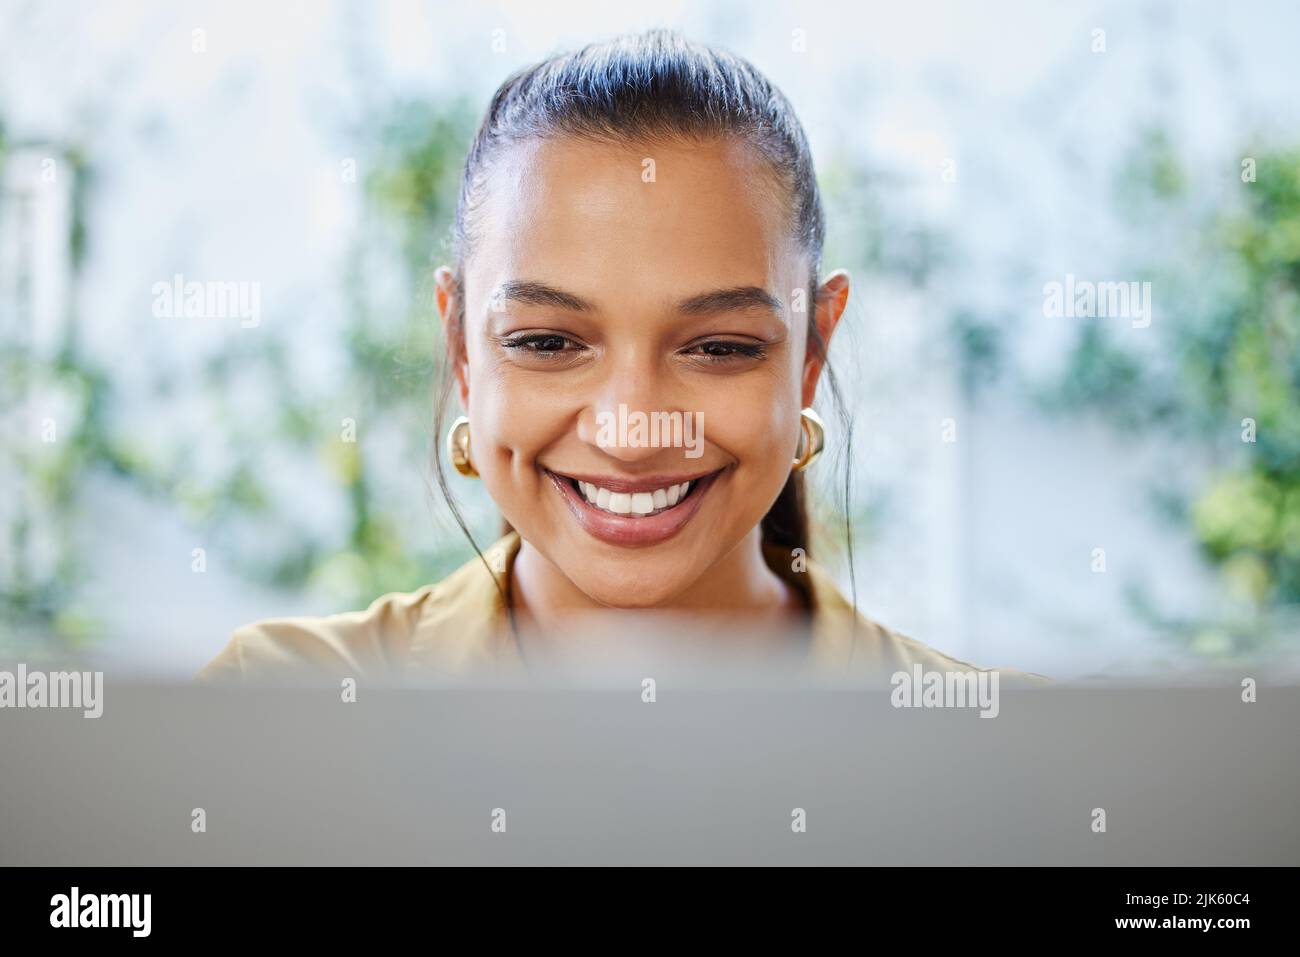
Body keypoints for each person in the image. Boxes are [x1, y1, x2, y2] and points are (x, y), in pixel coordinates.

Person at [199, 29, 1045, 687]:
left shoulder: (1001, 756)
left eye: (719, 347)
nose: (634, 430)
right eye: (549, 342)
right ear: (461, 346)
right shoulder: (275, 709)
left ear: (814, 349)